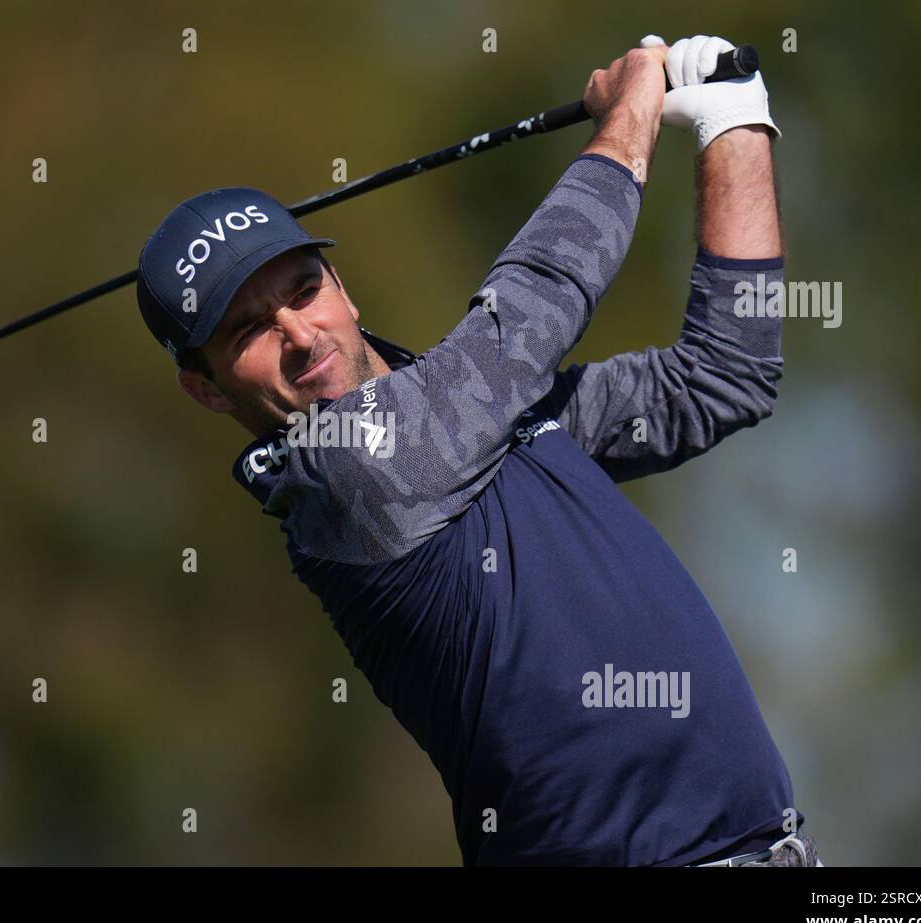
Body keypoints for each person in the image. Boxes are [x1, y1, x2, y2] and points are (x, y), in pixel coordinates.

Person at [136, 33, 823, 866]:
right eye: (248, 329)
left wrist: (734, 121)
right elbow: (536, 302)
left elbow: (721, 377)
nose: (298, 333)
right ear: (207, 389)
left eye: (304, 290)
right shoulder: (348, 474)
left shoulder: (480, 418)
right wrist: (632, 112)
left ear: (342, 289)